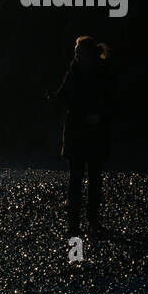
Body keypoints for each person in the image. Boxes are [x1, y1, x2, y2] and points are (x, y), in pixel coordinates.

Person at [57, 36, 112, 237]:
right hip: (77, 134)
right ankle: (74, 224)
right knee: (77, 180)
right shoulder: (74, 71)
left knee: (94, 180)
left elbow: (111, 100)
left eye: (79, 51)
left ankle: (92, 221)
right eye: (76, 50)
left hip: (94, 133)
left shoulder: (102, 72)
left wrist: (100, 116)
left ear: (89, 53)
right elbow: (63, 97)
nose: (76, 54)